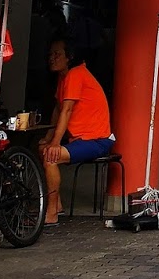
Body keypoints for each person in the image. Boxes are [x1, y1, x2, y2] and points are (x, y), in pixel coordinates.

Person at [40, 38, 115, 226]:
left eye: (57, 54)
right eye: (50, 54)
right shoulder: (64, 77)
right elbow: (58, 110)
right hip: (82, 139)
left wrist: (55, 143)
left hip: (97, 140)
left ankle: (51, 212)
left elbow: (66, 110)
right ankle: (56, 205)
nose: (52, 58)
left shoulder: (76, 74)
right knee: (44, 150)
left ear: (69, 57)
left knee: (50, 157)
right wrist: (48, 139)